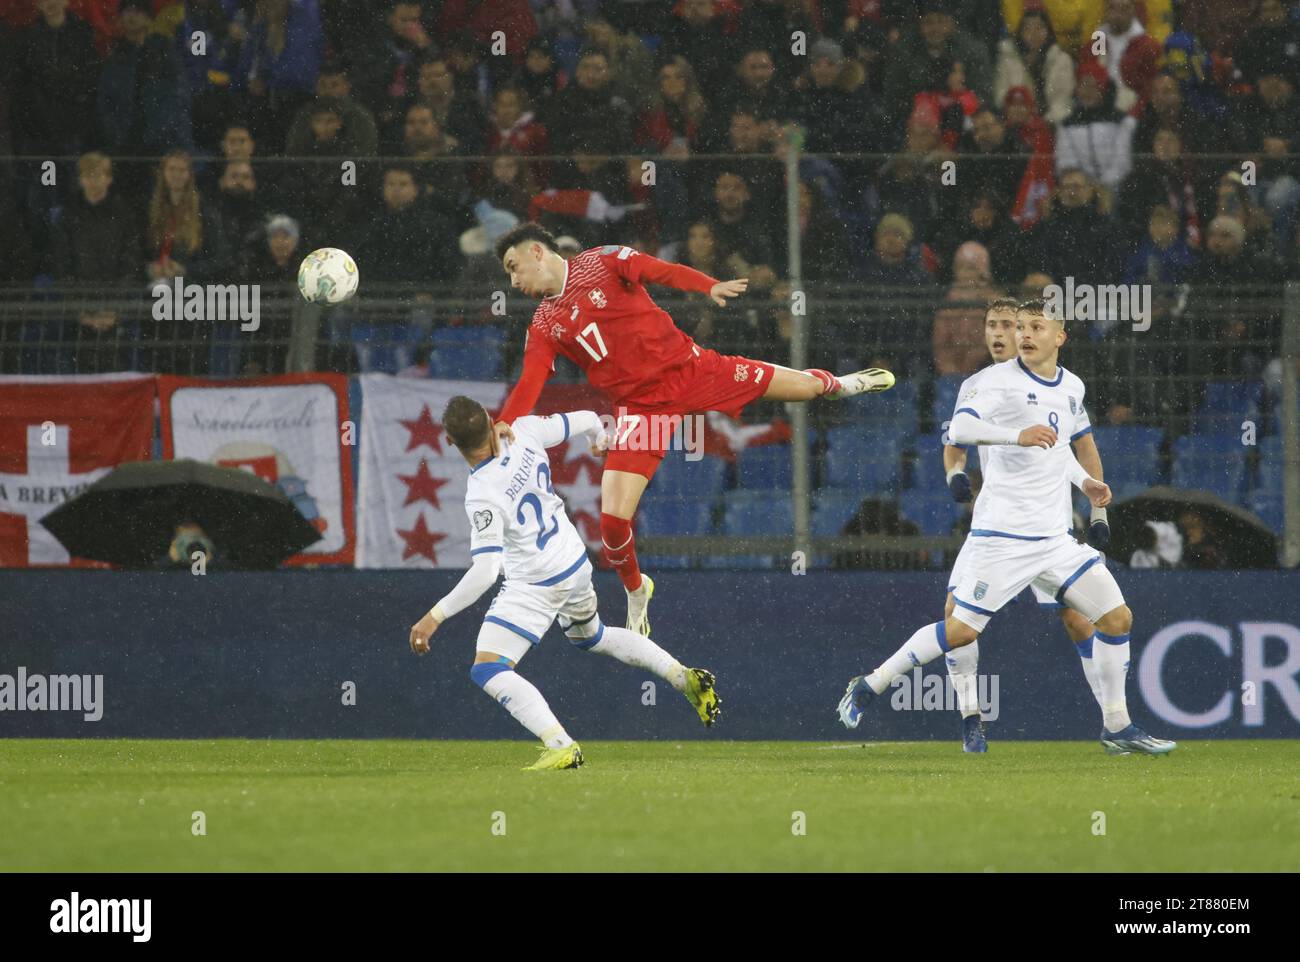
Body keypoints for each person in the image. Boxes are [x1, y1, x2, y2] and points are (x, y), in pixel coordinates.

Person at [492, 222, 895, 635]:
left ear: (537, 252)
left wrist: (707, 286)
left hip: (692, 370)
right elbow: (531, 379)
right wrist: (506, 420)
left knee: (807, 390)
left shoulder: (601, 261)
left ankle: (841, 384)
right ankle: (636, 590)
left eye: (513, 267)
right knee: (612, 523)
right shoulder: (544, 323)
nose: (513, 280)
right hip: (641, 411)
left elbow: (659, 270)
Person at [839, 298, 1177, 757]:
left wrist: (1087, 486)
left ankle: (1118, 726)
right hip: (1001, 537)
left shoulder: (1071, 387)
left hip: (1056, 538)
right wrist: (1011, 437)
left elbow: (1060, 450)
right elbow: (959, 429)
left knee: (1116, 618)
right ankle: (872, 684)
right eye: (1020, 327)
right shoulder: (993, 381)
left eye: (1035, 326)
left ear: (1060, 337)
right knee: (959, 632)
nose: (1024, 334)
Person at [407, 398, 721, 771]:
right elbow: (588, 416)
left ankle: (561, 745)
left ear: (449, 442)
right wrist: (599, 438)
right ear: (492, 420)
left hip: (535, 582)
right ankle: (680, 676)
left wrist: (434, 616)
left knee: (487, 668)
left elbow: (487, 571)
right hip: (573, 561)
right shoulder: (524, 430)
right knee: (594, 636)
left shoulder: (482, 494)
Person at [939, 296, 1112, 752]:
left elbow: (1082, 446)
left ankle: (1112, 719)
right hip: (997, 524)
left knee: (1080, 618)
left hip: (1048, 523)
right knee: (955, 618)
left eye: (1011, 325)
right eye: (993, 324)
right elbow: (955, 440)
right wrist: (956, 476)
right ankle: (971, 717)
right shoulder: (979, 384)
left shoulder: (1061, 386)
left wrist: (1098, 510)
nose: (1003, 333)